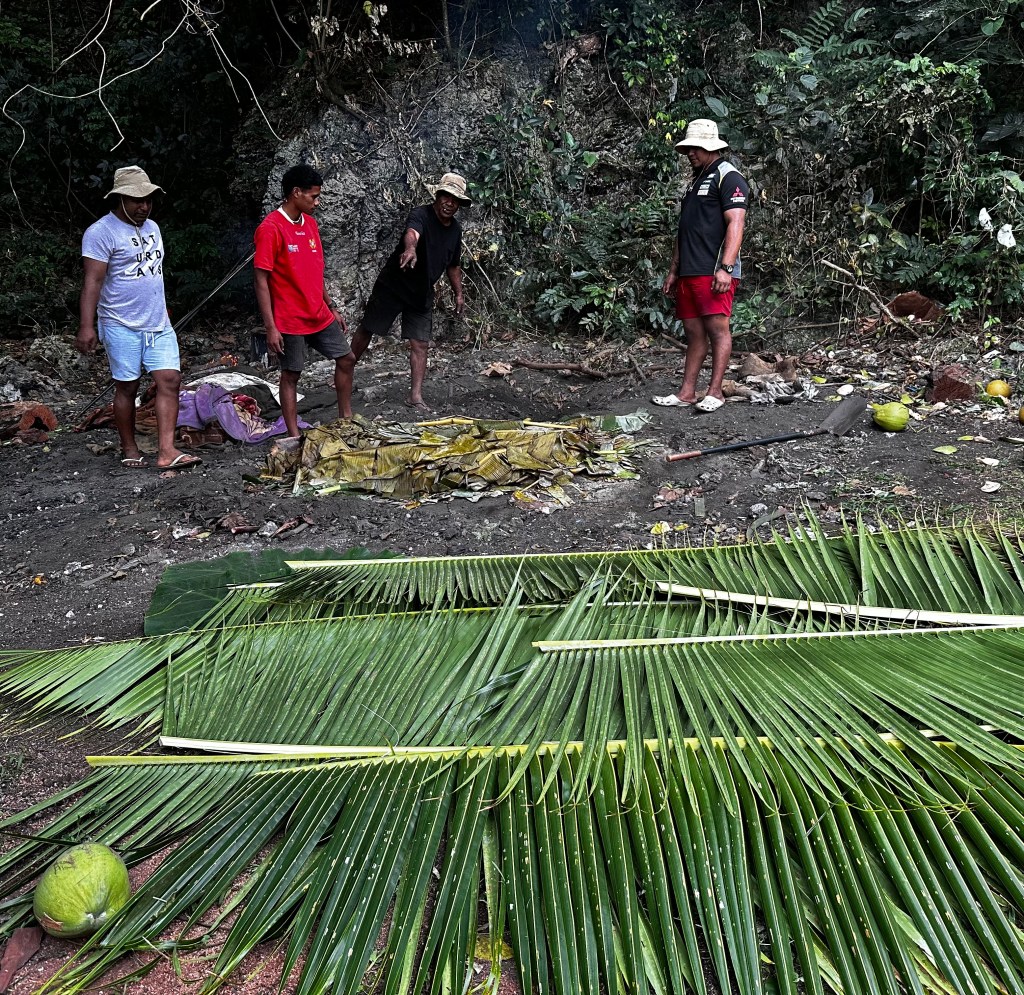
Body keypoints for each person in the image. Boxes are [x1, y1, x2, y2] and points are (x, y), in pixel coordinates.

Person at [76, 165, 201, 469]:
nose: (144, 206)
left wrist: (161, 305)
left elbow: (152, 273)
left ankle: (167, 451)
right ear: (119, 199)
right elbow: (92, 281)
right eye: (136, 200)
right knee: (127, 387)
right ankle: (129, 447)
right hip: (120, 322)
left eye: (148, 200)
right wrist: (86, 325)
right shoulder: (100, 233)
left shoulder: (153, 228)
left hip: (157, 322)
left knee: (170, 379)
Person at [338, 172, 468, 414]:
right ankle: (345, 371)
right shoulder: (422, 214)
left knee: (420, 342)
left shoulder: (455, 230)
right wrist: (410, 249)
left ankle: (415, 396)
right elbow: (412, 233)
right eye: (446, 197)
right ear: (437, 196)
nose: (450, 203)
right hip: (395, 283)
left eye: (455, 200)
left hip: (421, 291)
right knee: (368, 328)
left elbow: (454, 265)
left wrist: (458, 293)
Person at [653, 119, 749, 413]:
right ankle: (686, 393)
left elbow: (736, 222)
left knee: (718, 330)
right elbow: (685, 229)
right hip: (689, 271)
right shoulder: (695, 181)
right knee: (694, 332)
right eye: (689, 148)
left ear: (711, 147)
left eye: (696, 147)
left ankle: (716, 391)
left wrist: (726, 267)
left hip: (713, 269)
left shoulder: (728, 176)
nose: (691, 153)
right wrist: (673, 270)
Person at [254, 163, 350, 439]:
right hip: (289, 318)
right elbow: (261, 281)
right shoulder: (270, 228)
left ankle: (345, 418)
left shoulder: (310, 224)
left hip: (318, 313)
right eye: (314, 196)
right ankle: (293, 434)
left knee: (346, 358)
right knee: (291, 374)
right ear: (296, 193)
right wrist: (271, 327)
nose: (317, 202)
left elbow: (316, 269)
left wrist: (331, 306)